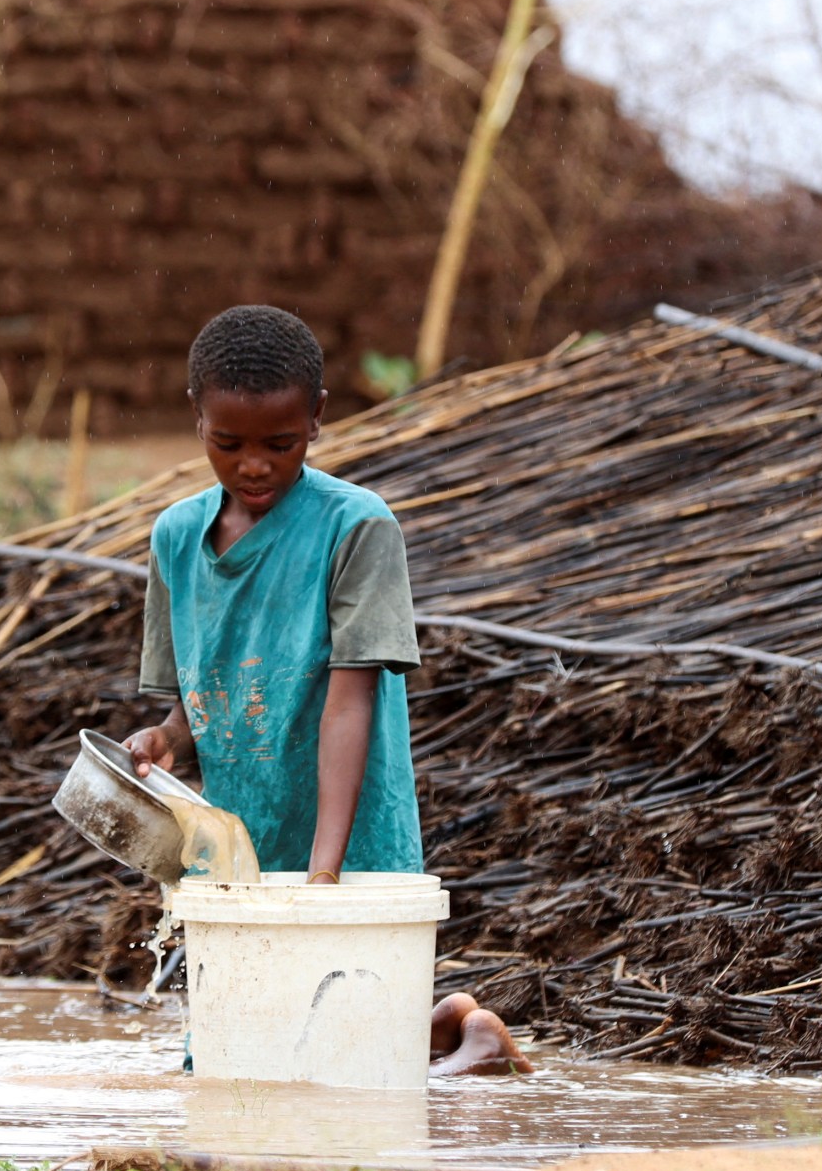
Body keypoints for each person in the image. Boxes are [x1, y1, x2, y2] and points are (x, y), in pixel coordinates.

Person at [123, 304, 530, 1078]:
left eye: (279, 444)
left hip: (347, 826)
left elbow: (351, 700)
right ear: (196, 419)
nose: (253, 465)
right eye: (227, 443)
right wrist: (163, 741)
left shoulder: (356, 528)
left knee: (340, 1065)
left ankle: (463, 1043)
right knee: (236, 1060)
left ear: (316, 419)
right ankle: (448, 1030)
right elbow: (200, 694)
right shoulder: (176, 537)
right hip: (244, 832)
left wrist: (323, 877)